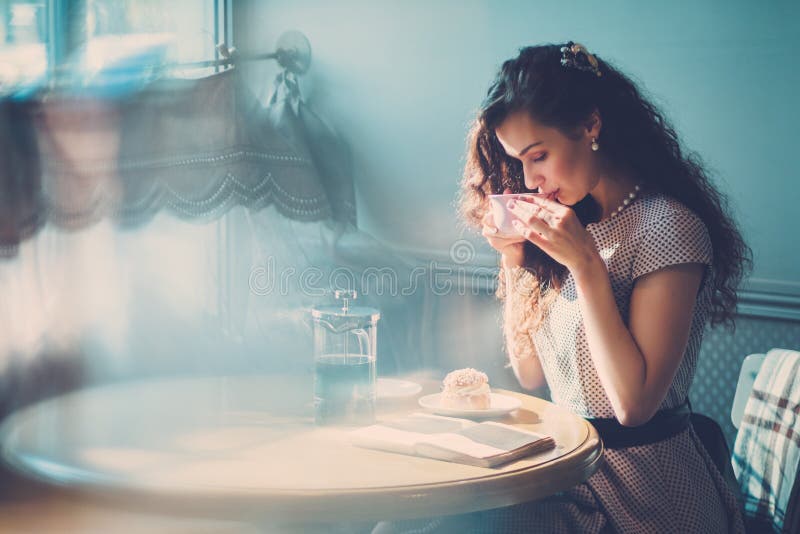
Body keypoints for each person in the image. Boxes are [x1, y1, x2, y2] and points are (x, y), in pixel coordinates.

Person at [376, 42, 750, 533]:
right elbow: (530, 372)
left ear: (591, 126)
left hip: (646, 490)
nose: (533, 181)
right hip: (564, 469)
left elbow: (634, 406)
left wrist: (585, 265)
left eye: (540, 156)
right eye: (520, 162)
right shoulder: (573, 226)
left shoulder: (669, 229)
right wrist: (512, 260)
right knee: (400, 526)